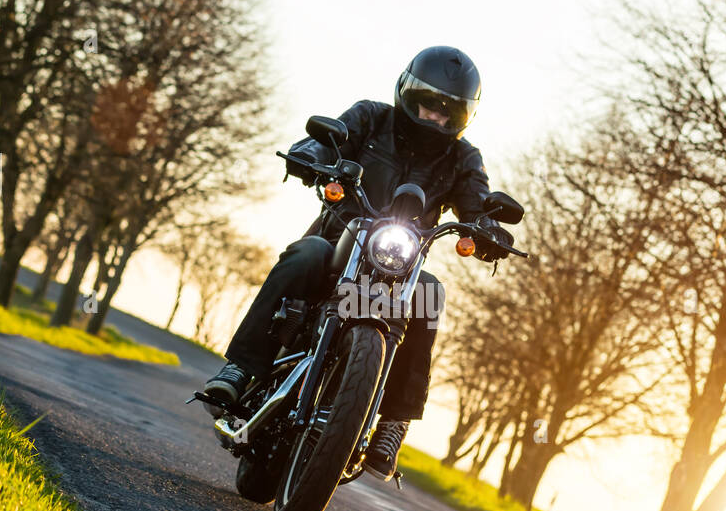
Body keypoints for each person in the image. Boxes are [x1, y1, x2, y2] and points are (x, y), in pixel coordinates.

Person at [203, 44, 513, 480]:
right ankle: (240, 368)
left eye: (447, 112)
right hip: (337, 241)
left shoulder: (463, 158)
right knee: (303, 254)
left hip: (397, 268)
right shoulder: (371, 117)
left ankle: (393, 423)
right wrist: (313, 155)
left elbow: (476, 199)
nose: (435, 118)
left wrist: (487, 228)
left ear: (463, 116)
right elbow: (327, 138)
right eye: (428, 106)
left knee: (429, 292)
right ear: (409, 94)